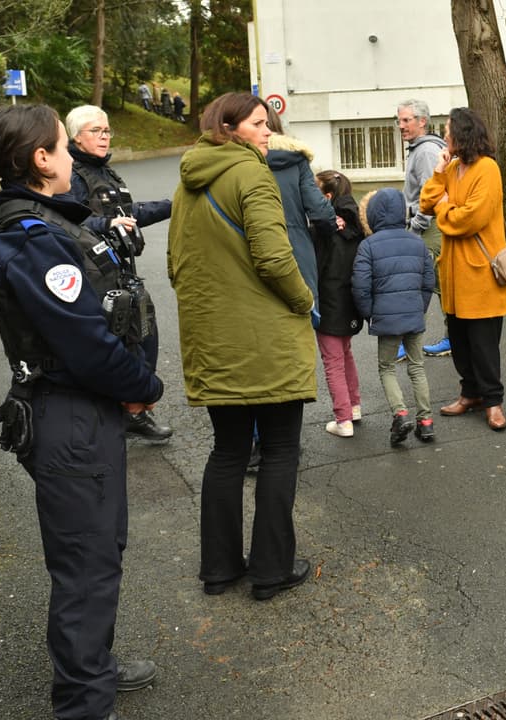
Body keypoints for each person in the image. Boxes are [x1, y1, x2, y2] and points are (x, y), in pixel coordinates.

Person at [0, 103, 164, 720]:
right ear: (40, 159)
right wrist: (144, 387)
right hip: (70, 414)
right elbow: (85, 344)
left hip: (84, 411)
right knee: (85, 566)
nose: (74, 156)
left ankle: (93, 664)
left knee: (101, 550)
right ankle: (83, 702)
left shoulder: (48, 219)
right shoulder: (29, 236)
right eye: (63, 146)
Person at [167, 92, 317, 601]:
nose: (267, 131)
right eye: (257, 123)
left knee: (227, 452)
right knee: (280, 450)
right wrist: (304, 300)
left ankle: (219, 569)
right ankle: (271, 570)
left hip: (213, 342)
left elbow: (175, 265)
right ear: (229, 129)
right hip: (266, 340)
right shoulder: (253, 174)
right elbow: (274, 259)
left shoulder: (187, 183)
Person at [65, 104, 174, 442]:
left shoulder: (104, 171)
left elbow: (129, 213)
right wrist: (106, 223)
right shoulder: (72, 173)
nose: (105, 136)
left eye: (107, 130)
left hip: (120, 269)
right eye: (96, 131)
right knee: (123, 343)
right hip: (94, 274)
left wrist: (174, 205)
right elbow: (67, 220)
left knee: (143, 335)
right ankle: (120, 416)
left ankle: (132, 411)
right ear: (76, 137)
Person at [419, 107, 506, 432]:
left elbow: (470, 219)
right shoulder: (452, 167)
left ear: (463, 134)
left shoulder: (488, 169)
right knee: (459, 341)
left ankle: (493, 402)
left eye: (448, 130)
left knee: (484, 344)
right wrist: (438, 173)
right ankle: (470, 394)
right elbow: (425, 203)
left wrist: (445, 206)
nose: (444, 136)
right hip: (453, 274)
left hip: (481, 274)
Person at [262, 104, 337, 439]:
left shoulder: (241, 161)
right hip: (295, 258)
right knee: (294, 347)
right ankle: (284, 435)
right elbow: (320, 212)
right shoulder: (296, 161)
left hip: (253, 257)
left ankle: (258, 435)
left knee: (258, 348)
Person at [351, 188, 437, 446]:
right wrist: (419, 308)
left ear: (373, 215)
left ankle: (400, 414)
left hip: (386, 318)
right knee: (417, 366)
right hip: (414, 314)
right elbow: (428, 281)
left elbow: (360, 286)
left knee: (387, 367)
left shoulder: (368, 246)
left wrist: (371, 314)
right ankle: (426, 421)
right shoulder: (417, 243)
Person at [314, 169, 367, 438]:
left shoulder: (324, 230)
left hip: (328, 302)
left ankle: (343, 419)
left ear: (327, 196)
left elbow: (315, 266)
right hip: (351, 303)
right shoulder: (356, 226)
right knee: (345, 354)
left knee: (332, 361)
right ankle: (354, 406)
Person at [396, 99, 450, 357]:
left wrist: (415, 227)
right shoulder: (420, 148)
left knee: (423, 286)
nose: (401, 125)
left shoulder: (426, 151)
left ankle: (412, 343)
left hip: (429, 229)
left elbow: (432, 195)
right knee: (436, 286)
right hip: (427, 228)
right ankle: (451, 339)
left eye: (407, 120)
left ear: (422, 121)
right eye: (399, 120)